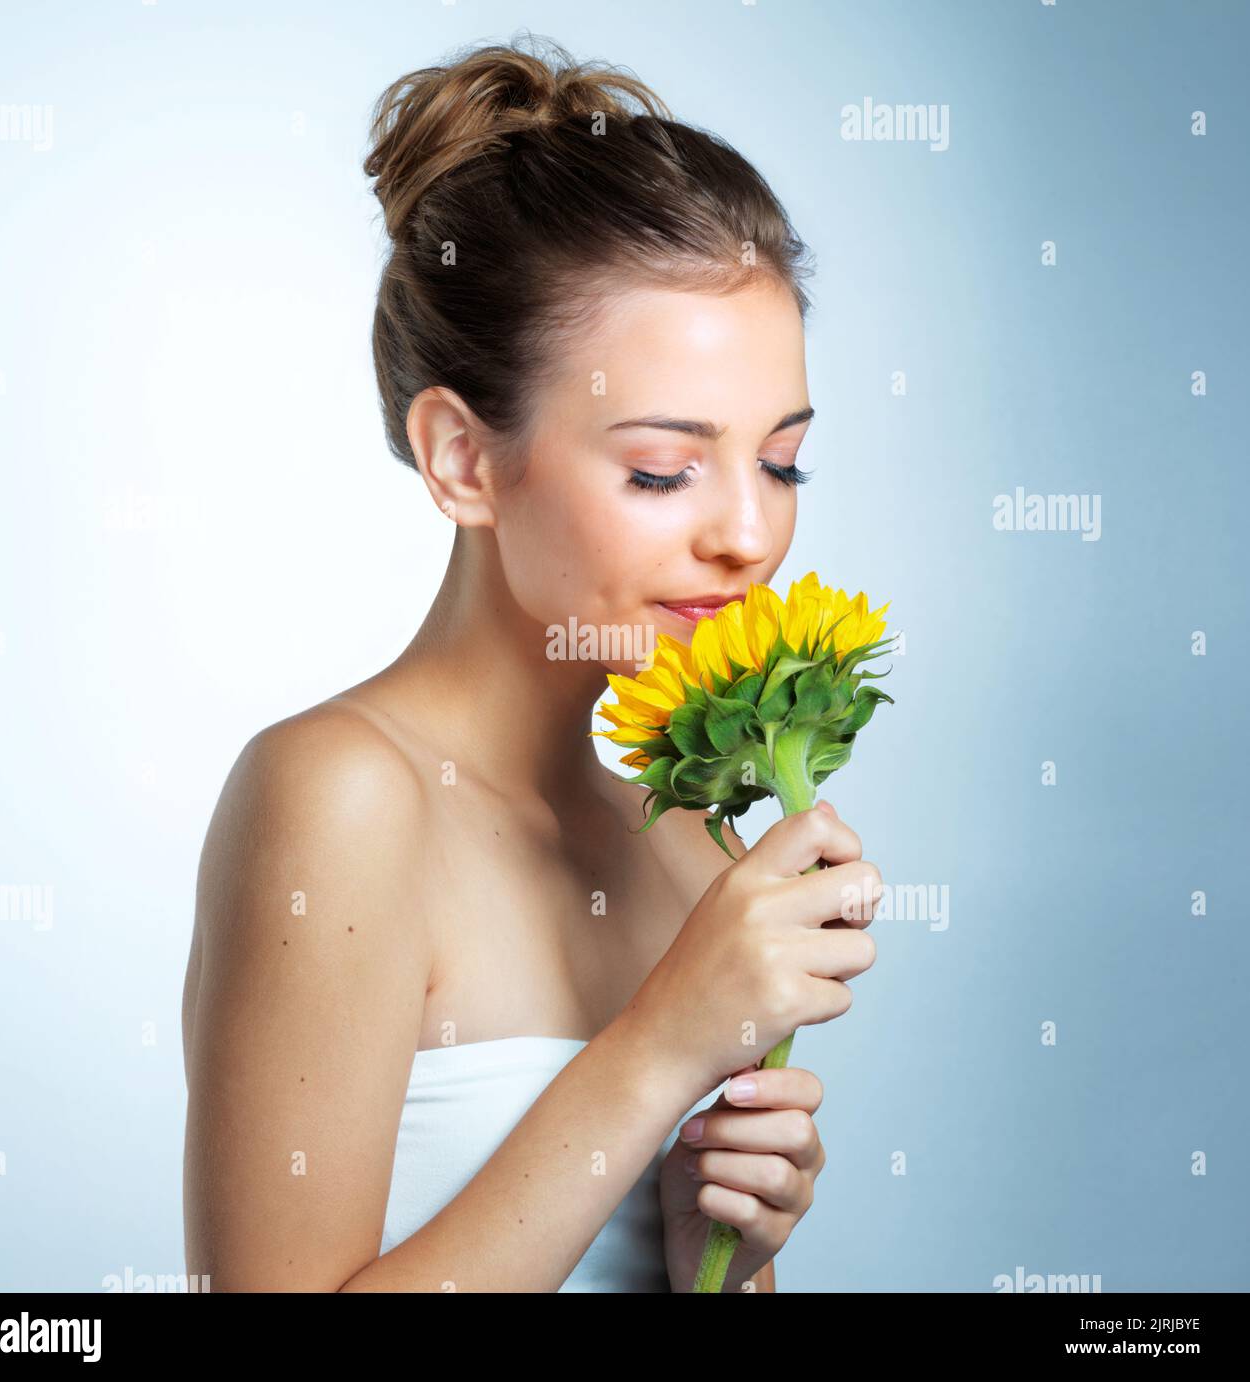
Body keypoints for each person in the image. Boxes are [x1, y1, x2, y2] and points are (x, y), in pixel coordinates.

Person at [181, 32, 881, 1293]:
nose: (748, 533)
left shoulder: (689, 847)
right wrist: (659, 1046)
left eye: (782, 461)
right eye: (663, 467)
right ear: (461, 457)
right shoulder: (338, 798)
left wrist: (717, 1259)